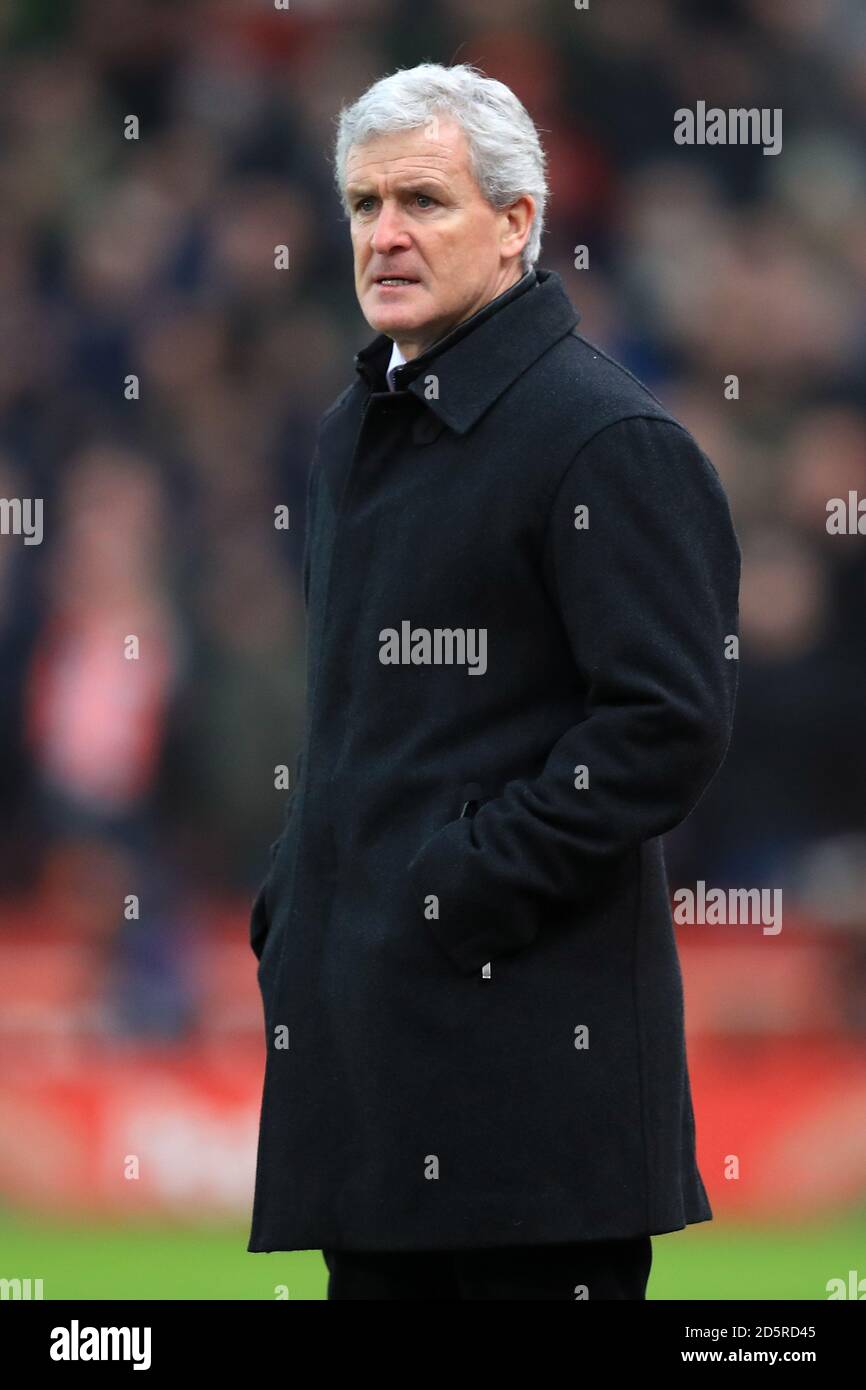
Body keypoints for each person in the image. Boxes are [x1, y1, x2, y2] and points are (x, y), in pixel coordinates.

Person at [246, 61, 741, 1301]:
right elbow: (366, 727)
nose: (384, 234)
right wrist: (301, 895)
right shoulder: (353, 430)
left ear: (519, 222)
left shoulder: (605, 438)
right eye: (363, 205)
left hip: (523, 1102)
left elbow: (662, 727)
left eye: (423, 199)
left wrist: (455, 877)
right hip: (367, 1082)